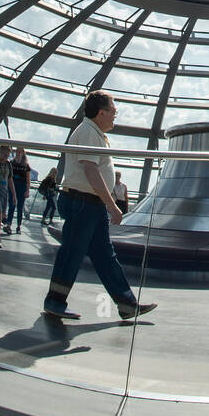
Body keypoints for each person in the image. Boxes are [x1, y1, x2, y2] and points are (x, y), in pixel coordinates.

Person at [43, 91, 156, 322]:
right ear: (102, 112)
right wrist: (112, 205)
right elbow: (91, 171)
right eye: (113, 110)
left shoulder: (94, 133)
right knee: (72, 253)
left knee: (104, 255)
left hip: (88, 203)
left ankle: (126, 303)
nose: (116, 114)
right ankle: (55, 301)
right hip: (82, 202)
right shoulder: (88, 132)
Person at [6, 146, 30, 234]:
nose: (19, 153)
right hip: (13, 186)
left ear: (23, 153)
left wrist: (27, 190)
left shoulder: (26, 166)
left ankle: (18, 226)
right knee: (11, 205)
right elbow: (8, 176)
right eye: (17, 151)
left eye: (20, 152)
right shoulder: (12, 163)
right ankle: (9, 224)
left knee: (20, 207)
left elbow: (28, 180)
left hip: (22, 187)